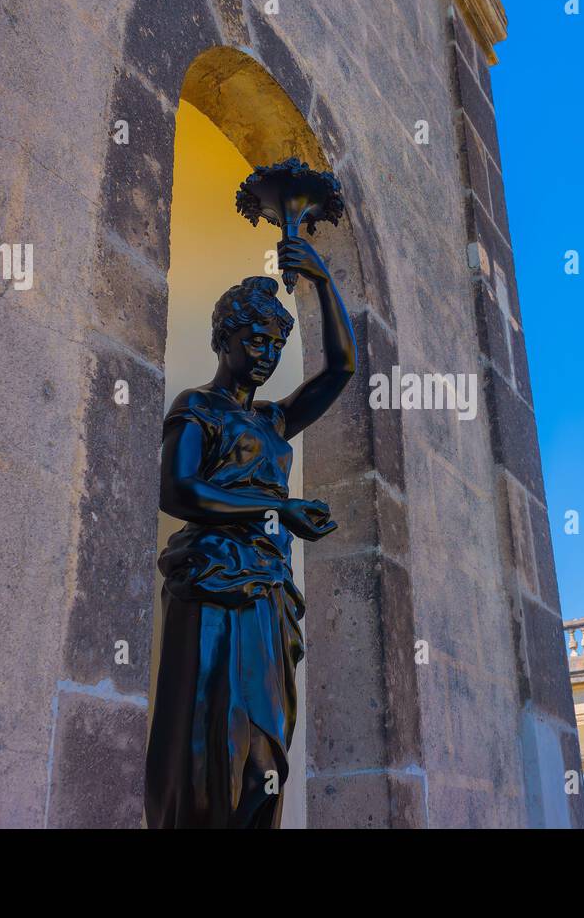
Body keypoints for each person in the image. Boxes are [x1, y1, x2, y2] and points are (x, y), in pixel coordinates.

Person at [145, 236, 356, 828]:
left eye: (278, 343)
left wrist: (322, 281)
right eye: (255, 339)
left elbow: (342, 369)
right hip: (212, 586)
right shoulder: (198, 408)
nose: (267, 352)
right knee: (212, 737)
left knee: (265, 745)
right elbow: (178, 491)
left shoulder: (272, 420)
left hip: (267, 595)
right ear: (226, 338)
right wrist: (276, 511)